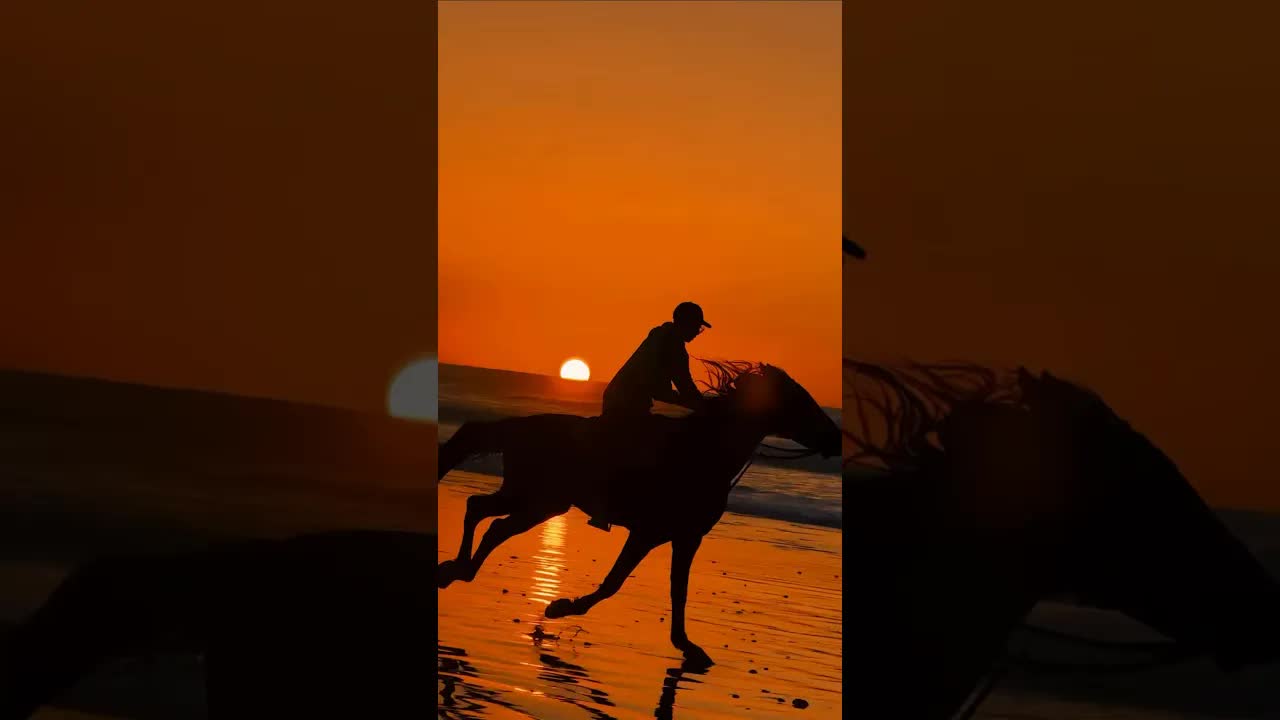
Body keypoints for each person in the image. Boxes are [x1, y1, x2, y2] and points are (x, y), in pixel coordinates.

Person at [589, 302, 711, 530]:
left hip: (626, 398)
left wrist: (686, 399)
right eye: (697, 327)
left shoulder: (662, 335)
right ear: (687, 323)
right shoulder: (672, 343)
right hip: (627, 401)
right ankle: (606, 507)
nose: (697, 332)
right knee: (645, 447)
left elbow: (669, 385)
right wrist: (703, 407)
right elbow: (683, 385)